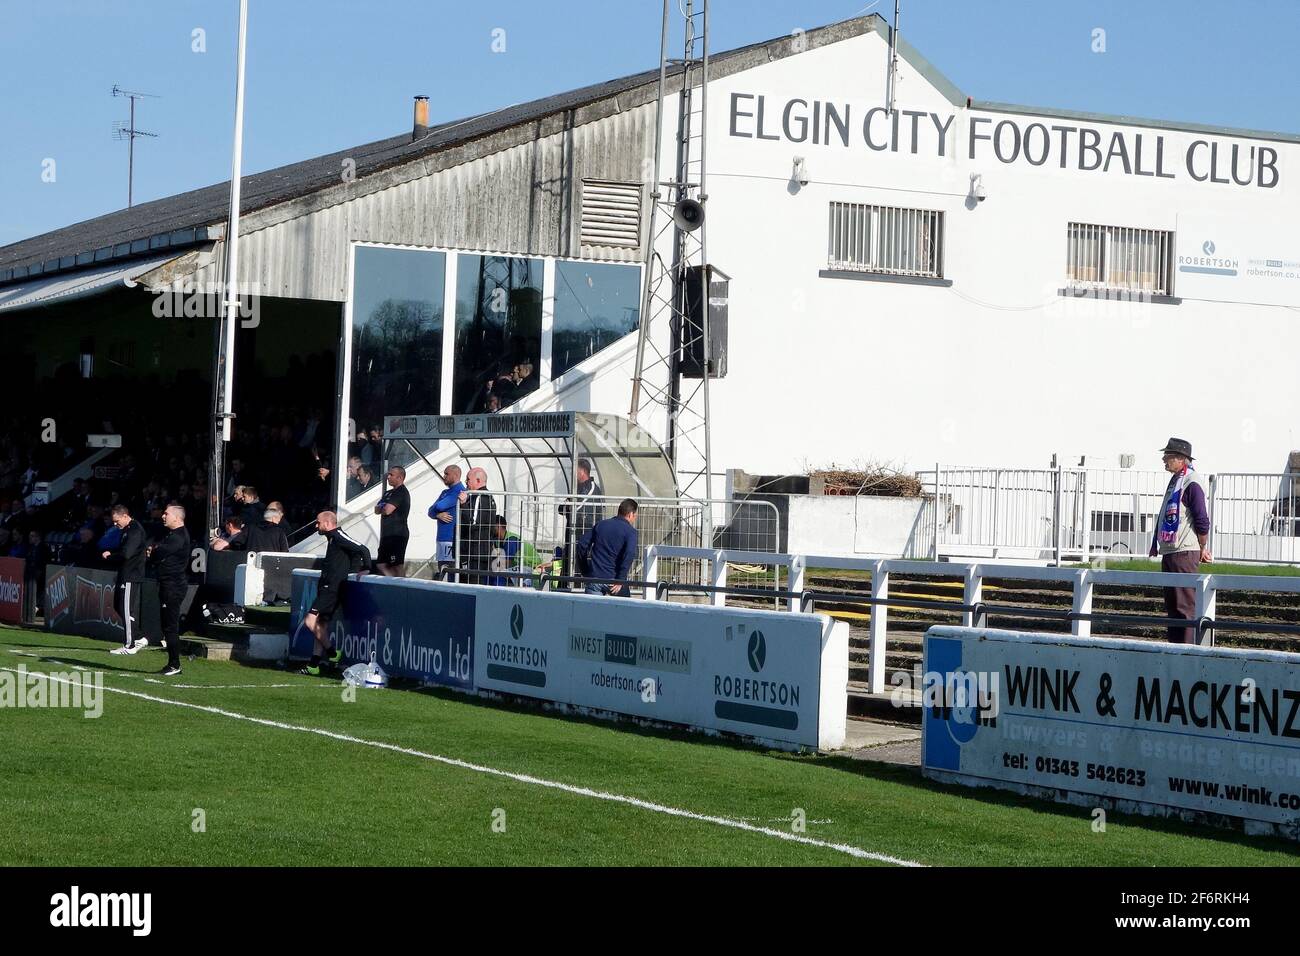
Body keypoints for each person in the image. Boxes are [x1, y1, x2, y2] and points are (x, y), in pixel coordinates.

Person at [1149, 438, 1212, 644]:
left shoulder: (1191, 482)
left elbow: (1202, 519)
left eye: (1168, 456)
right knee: (1173, 607)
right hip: (1171, 551)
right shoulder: (1177, 481)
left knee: (1184, 607)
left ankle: (1185, 652)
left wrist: (1202, 546)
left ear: (1180, 458)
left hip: (1184, 552)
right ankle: (1174, 649)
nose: (1163, 459)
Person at [299, 511, 372, 676]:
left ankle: (333, 653)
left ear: (327, 523)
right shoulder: (332, 539)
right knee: (321, 626)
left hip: (332, 589)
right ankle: (313, 665)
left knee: (310, 621)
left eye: (318, 523)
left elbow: (362, 549)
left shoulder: (338, 536)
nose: (316, 526)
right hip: (326, 586)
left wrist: (366, 568)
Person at [148, 503, 191, 676]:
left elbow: (157, 553)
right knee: (167, 626)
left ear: (177, 517)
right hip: (167, 584)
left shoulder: (178, 537)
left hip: (173, 586)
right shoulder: (172, 535)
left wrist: (154, 552)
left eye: (166, 514)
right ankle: (173, 664)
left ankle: (175, 664)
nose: (163, 516)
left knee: (171, 627)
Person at [102, 504, 149, 654]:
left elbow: (127, 554)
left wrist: (110, 556)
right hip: (126, 573)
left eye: (117, 521)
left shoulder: (134, 530)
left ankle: (130, 645)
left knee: (126, 609)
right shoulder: (128, 530)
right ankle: (140, 637)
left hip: (131, 574)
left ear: (125, 516)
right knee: (119, 606)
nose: (115, 525)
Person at [577, 498, 638, 596]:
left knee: (590, 610)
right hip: (615, 580)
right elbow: (629, 554)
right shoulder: (631, 532)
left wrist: (585, 570)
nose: (634, 519)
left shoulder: (601, 525)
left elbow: (582, 544)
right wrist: (620, 579)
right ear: (630, 514)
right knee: (623, 610)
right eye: (635, 516)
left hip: (595, 578)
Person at [559, 458, 602, 574]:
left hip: (584, 538)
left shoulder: (591, 488)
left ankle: (576, 589)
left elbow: (575, 507)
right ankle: (563, 589)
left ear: (582, 471)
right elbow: (561, 508)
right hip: (571, 538)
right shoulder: (576, 488)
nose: (572, 473)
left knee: (579, 569)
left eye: (574, 470)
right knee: (568, 569)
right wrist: (568, 506)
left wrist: (569, 506)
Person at [459, 467, 497, 582]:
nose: (466, 482)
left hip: (475, 551)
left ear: (478, 481)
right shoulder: (488, 497)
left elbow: (472, 522)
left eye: (468, 479)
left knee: (472, 584)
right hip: (481, 549)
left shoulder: (480, 496)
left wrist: (463, 504)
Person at [374, 465, 411, 576]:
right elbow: (376, 509)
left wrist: (383, 508)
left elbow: (387, 510)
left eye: (391, 475)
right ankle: (392, 583)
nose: (388, 477)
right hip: (386, 534)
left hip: (397, 534)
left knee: (396, 565)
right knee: (381, 564)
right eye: (388, 474)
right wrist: (382, 508)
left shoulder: (401, 492)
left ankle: (402, 586)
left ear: (400, 477)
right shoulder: (388, 493)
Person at [428, 465, 464, 573]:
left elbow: (439, 506)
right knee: (442, 568)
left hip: (451, 539)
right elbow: (430, 511)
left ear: (456, 475)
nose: (444, 476)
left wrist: (436, 510)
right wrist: (437, 515)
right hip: (441, 538)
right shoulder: (445, 492)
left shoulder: (459, 491)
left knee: (450, 570)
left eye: (447, 474)